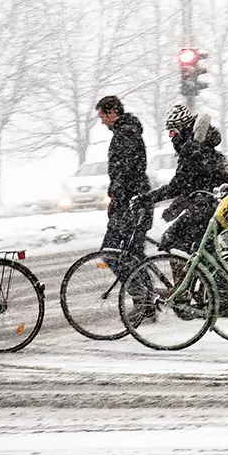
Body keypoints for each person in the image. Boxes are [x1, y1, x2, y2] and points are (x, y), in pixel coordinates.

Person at [139, 104, 228, 254]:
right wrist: (176, 206)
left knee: (171, 241)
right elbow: (193, 185)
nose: (170, 136)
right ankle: (208, 275)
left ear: (181, 128)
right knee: (197, 250)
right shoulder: (199, 147)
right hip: (219, 204)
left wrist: (146, 198)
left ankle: (191, 276)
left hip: (212, 206)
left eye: (172, 131)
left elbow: (179, 185)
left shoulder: (193, 150)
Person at [95, 96, 153, 305]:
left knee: (112, 252)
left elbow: (125, 173)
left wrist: (117, 197)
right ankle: (146, 301)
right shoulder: (129, 132)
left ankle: (143, 299)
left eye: (102, 116)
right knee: (133, 254)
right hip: (136, 201)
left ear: (112, 113)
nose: (102, 121)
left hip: (130, 203)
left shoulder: (125, 135)